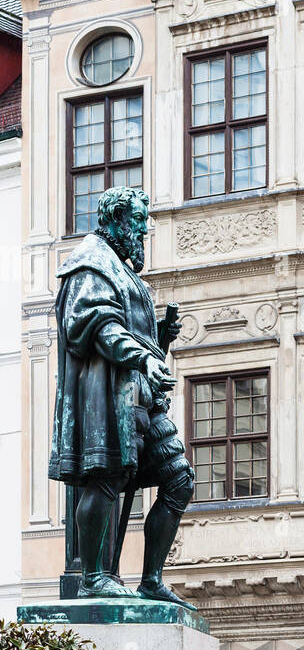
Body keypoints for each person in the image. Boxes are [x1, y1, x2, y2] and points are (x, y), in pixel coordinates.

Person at [49, 186, 195, 606]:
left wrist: (158, 343)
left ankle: (151, 580)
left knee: (178, 479)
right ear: (114, 220)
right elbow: (97, 327)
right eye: (136, 222)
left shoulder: (122, 267)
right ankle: (95, 576)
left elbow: (128, 335)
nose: (142, 231)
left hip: (139, 397)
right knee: (106, 477)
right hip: (106, 398)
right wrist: (144, 358)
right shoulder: (89, 265)